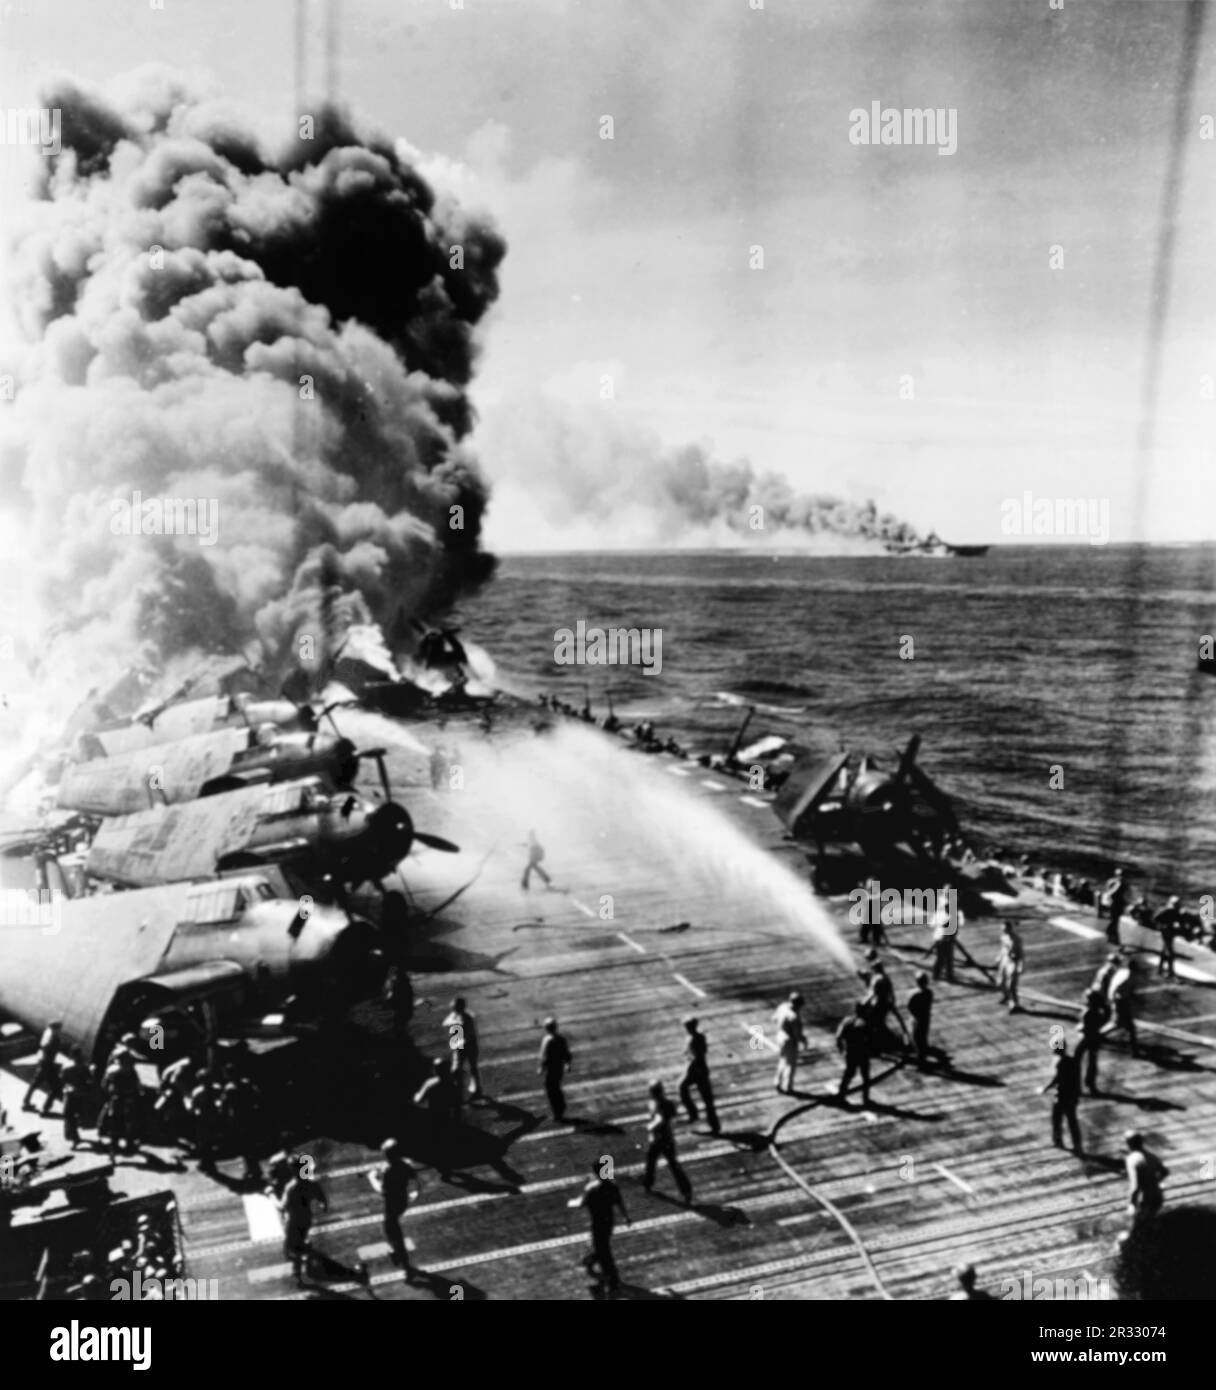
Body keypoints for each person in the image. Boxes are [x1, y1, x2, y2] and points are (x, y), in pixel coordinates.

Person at [569, 1160, 631, 1294]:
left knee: (603, 1250)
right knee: (603, 1245)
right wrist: (626, 1217)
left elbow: (582, 1204)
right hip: (608, 1222)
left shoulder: (591, 1188)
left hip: (597, 1222)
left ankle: (610, 1277)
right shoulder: (613, 1187)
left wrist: (575, 1202)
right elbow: (620, 1203)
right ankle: (595, 1260)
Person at [370, 1139, 418, 1279]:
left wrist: (373, 1178)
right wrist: (414, 1195)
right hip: (402, 1201)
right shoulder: (405, 1165)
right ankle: (397, 1253)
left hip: (392, 1204)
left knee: (392, 1230)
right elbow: (417, 1182)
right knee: (391, 1228)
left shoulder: (389, 1171)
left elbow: (382, 1190)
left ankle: (405, 1264)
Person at [642, 1080, 693, 1204]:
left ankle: (648, 1183)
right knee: (671, 1164)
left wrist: (650, 1126)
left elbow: (660, 1119)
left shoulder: (656, 1104)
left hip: (659, 1138)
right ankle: (686, 1191)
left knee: (653, 1160)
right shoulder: (667, 1103)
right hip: (665, 1138)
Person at [279, 1168, 329, 1286]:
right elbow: (323, 1200)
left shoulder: (291, 1187)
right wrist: (323, 1206)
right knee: (299, 1241)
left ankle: (298, 1273)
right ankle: (305, 1254)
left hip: (294, 1222)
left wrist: (270, 1194)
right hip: (306, 1219)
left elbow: (282, 1206)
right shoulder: (312, 1184)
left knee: (290, 1249)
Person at [677, 1017, 719, 1134]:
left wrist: (688, 1069)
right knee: (707, 1099)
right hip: (699, 1070)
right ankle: (712, 1124)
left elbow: (697, 1056)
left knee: (683, 1088)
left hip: (696, 1070)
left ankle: (694, 1114)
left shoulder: (695, 1039)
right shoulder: (696, 1037)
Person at [1040, 1040, 1082, 1154]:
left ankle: (1058, 1141)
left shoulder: (1061, 1063)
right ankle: (1077, 1144)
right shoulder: (1073, 1061)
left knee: (1056, 1119)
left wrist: (1045, 1088)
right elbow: (1077, 1080)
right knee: (1072, 1121)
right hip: (1071, 1096)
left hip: (1062, 1096)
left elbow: (1057, 1079)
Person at [442, 996, 483, 1101]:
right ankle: (461, 1090)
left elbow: (468, 1035)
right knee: (459, 1069)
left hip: (467, 1044)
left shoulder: (467, 1018)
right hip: (460, 1041)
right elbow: (446, 1023)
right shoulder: (457, 1016)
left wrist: (457, 1044)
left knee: (469, 1067)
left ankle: (474, 1089)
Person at [23, 1021, 64, 1115]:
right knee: (56, 1087)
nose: (60, 1031)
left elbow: (43, 1046)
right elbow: (51, 1049)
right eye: (59, 1029)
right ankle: (45, 1108)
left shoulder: (47, 1034)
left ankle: (26, 1102)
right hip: (48, 1064)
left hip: (43, 1062)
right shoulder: (54, 1038)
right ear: (56, 1029)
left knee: (35, 1083)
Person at [864, 962, 907, 1052]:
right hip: (885, 1002)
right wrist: (892, 1000)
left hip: (878, 1004)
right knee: (880, 1023)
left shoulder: (876, 979)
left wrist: (865, 1002)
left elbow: (873, 993)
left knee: (876, 1023)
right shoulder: (885, 977)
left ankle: (888, 1042)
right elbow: (891, 990)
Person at [835, 1003, 872, 1106]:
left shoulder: (847, 1021)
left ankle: (841, 1094)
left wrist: (841, 1049)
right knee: (865, 1076)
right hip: (862, 1052)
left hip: (850, 1052)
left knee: (848, 1074)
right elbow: (870, 1038)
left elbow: (838, 1036)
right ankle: (866, 1098)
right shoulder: (865, 1023)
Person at [1124, 1131, 1168, 1218]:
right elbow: (1165, 1172)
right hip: (1157, 1196)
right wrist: (1154, 1181)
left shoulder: (1132, 1159)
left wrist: (1131, 1204)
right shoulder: (1151, 1156)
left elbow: (1135, 1186)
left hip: (1144, 1199)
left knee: (1141, 1228)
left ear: (1128, 1143)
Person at [1103, 956, 1139, 1057]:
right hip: (1120, 1002)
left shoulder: (1125, 973)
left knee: (1129, 1027)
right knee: (1117, 1024)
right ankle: (1097, 1036)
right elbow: (1115, 989)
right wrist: (1113, 1001)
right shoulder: (1127, 976)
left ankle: (1134, 1050)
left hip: (1122, 1001)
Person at [538, 1018, 572, 1121]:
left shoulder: (547, 1039)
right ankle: (559, 1109)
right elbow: (567, 1053)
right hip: (557, 1067)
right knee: (554, 1088)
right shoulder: (560, 1039)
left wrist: (541, 1067)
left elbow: (545, 1056)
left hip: (552, 1068)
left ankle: (558, 1110)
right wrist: (567, 1064)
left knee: (552, 1089)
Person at [772, 992, 806, 1095]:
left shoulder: (782, 1007)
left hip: (780, 1037)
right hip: (789, 1040)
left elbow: (774, 1018)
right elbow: (797, 1034)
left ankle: (777, 1081)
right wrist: (803, 1041)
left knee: (782, 1060)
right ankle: (788, 1087)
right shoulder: (794, 1017)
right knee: (791, 1064)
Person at [58, 1048, 90, 1149]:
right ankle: (73, 1136)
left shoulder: (66, 1067)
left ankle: (74, 1138)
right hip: (81, 1093)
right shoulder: (84, 1067)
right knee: (76, 1115)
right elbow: (89, 1079)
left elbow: (62, 1080)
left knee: (68, 1115)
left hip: (70, 1094)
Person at [1076, 989, 1106, 1095]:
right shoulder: (1099, 1012)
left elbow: (1083, 1027)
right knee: (1092, 1061)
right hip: (1095, 1038)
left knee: (1076, 1061)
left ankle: (1077, 1086)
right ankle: (1090, 1083)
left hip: (1085, 1038)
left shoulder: (1087, 1013)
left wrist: (1079, 1028)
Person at [994, 922, 1024, 1013]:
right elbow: (1003, 948)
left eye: (1005, 929)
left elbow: (1021, 954)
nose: (1004, 931)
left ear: (1010, 929)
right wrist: (999, 957)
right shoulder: (1003, 937)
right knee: (1000, 982)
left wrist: (1020, 966)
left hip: (1013, 962)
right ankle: (1006, 997)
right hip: (1005, 960)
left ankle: (1014, 1004)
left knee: (1011, 985)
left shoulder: (1016, 939)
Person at [906, 972, 934, 1070]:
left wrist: (914, 1015)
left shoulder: (913, 993)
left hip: (916, 1018)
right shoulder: (929, 992)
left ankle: (920, 1060)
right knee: (923, 1036)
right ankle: (923, 1055)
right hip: (925, 1017)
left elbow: (909, 1006)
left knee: (916, 1038)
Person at [1152, 896, 1183, 980]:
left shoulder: (1170, 911)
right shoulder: (1169, 911)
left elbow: (1157, 919)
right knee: (1169, 952)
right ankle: (1170, 972)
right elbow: (1157, 919)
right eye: (1177, 903)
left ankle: (1162, 970)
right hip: (1167, 932)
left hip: (1168, 932)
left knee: (1166, 951)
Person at [1102, 867, 1130, 945]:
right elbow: (1112, 893)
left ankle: (1112, 934)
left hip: (1116, 903)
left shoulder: (1113, 881)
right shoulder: (1120, 883)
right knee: (1115, 920)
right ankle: (1111, 933)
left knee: (1115, 920)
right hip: (1116, 904)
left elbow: (1108, 891)